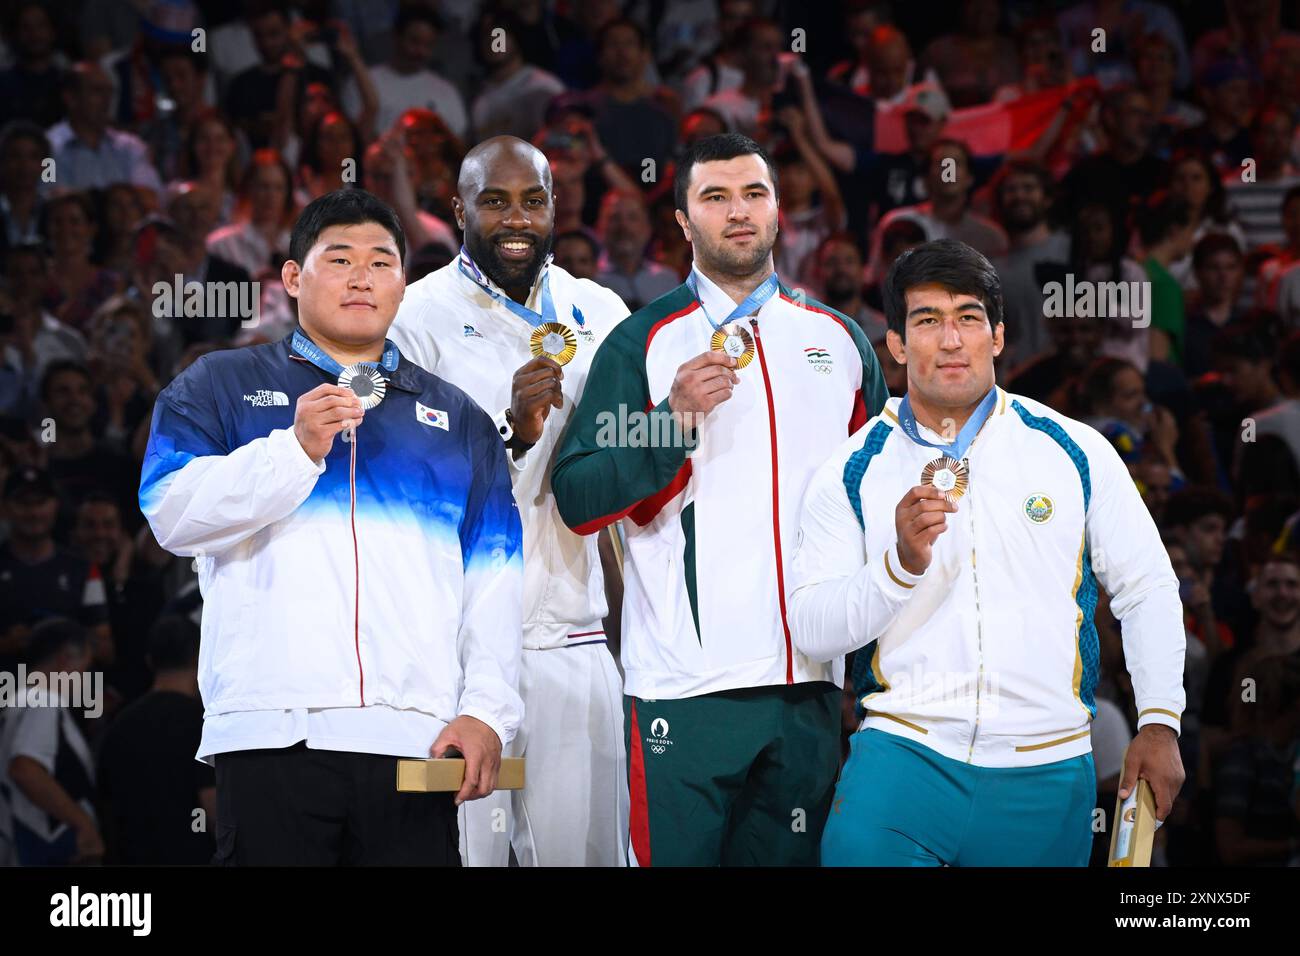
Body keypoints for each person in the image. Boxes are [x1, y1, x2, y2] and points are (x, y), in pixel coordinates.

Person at [138, 188, 524, 866]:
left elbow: (494, 578)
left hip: (416, 740)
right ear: (292, 278)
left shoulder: (459, 419)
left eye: (380, 262)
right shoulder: (218, 385)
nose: (360, 277)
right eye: (338, 258)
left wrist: (488, 711)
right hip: (271, 734)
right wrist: (292, 451)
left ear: (403, 283)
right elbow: (171, 511)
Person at [788, 238, 1186, 866]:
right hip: (903, 756)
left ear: (998, 336)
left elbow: (1149, 588)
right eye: (927, 321)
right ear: (895, 344)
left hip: (1047, 767)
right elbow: (812, 628)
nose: (951, 341)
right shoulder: (853, 469)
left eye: (968, 318)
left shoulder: (1072, 450)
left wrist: (1160, 720)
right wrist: (898, 567)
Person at [552, 133, 888, 866]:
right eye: (715, 197)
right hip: (683, 691)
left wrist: (870, 677)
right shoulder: (640, 343)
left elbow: (881, 512)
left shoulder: (841, 340)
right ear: (682, 221)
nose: (738, 212)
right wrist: (665, 426)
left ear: (778, 210)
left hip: (809, 687)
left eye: (753, 194)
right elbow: (577, 495)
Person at [390, 136, 630, 868]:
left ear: (555, 205)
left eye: (532, 200)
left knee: (587, 858)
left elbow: (623, 469)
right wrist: (509, 433)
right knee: (462, 858)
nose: (516, 219)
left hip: (575, 637)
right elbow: (404, 481)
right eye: (495, 202)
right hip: (454, 655)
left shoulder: (602, 312)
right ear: (459, 208)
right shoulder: (415, 315)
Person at [96, 615, 215, 864]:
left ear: (149, 661)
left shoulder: (119, 724)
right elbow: (212, 805)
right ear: (199, 657)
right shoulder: (205, 726)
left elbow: (106, 805)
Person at [0, 617, 102, 865]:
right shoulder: (43, 700)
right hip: (36, 844)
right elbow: (25, 769)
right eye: (85, 668)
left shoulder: (18, 700)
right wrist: (82, 823)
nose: (85, 679)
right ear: (65, 659)